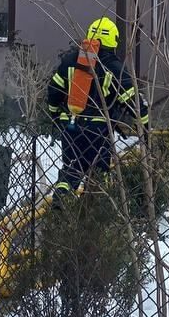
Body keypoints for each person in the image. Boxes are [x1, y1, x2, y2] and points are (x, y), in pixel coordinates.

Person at [46, 17, 148, 200]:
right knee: (99, 174)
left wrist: (55, 115)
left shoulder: (71, 60)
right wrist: (145, 129)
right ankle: (94, 209)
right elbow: (135, 104)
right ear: (113, 41)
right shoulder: (115, 68)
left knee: (71, 168)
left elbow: (54, 90)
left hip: (70, 126)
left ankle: (61, 199)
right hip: (98, 131)